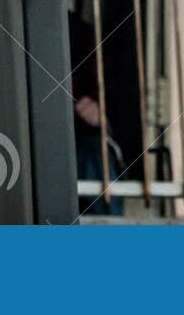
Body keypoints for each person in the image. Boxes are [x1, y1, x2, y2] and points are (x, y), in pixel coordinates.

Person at [69, 12, 123, 216]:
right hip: (21, 138)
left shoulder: (82, 35)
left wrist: (100, 115)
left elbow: (110, 95)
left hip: (79, 140)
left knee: (96, 158)